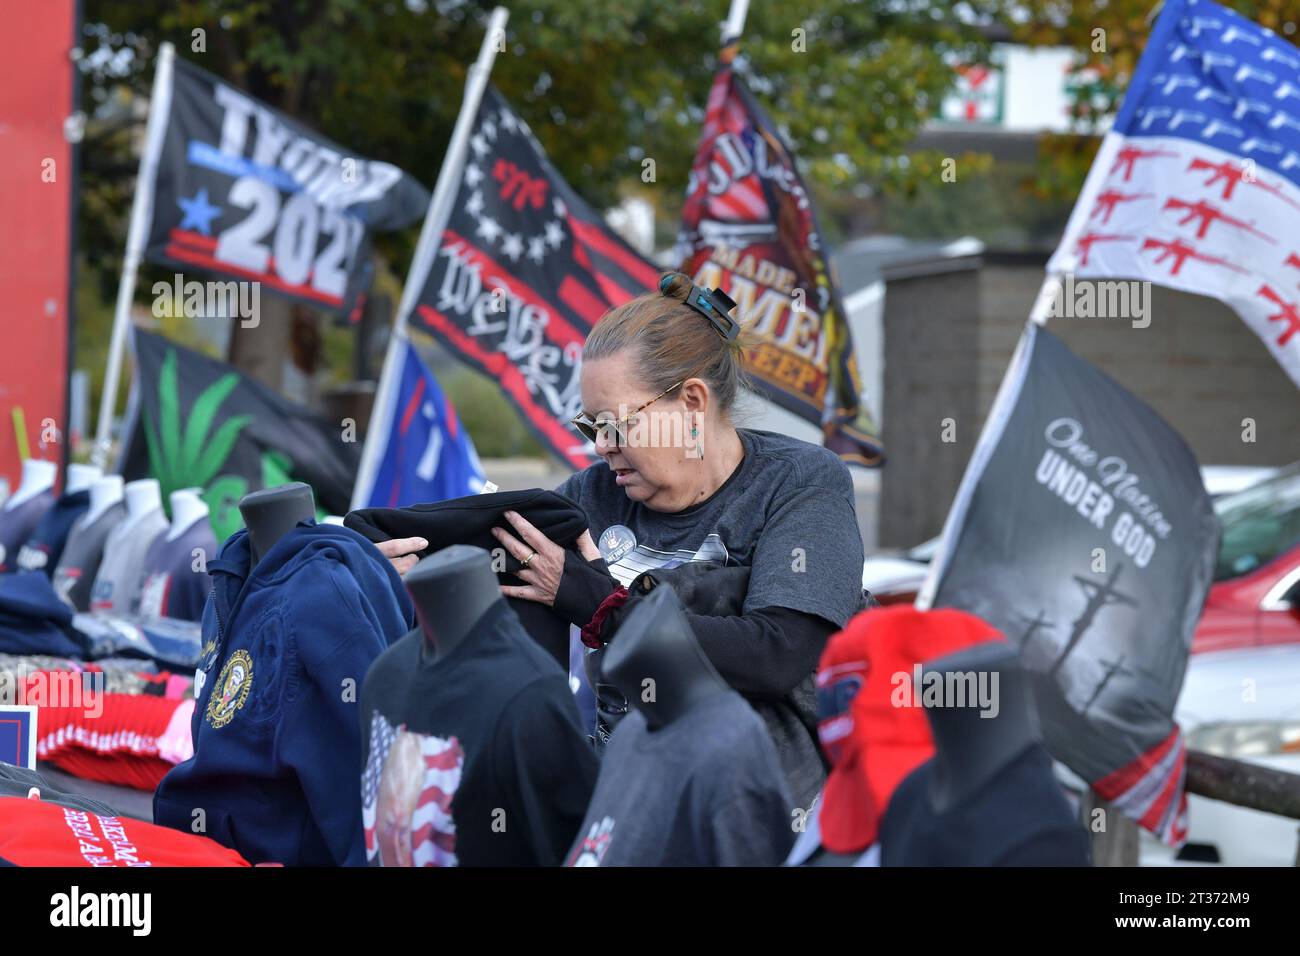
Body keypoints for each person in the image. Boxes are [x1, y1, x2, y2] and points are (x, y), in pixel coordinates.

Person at [378, 272, 866, 807]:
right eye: (591, 428)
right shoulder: (591, 498)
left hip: (762, 810)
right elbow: (481, 605)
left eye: (616, 425)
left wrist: (602, 608)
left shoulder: (798, 483)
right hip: (627, 800)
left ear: (693, 403)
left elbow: (777, 655)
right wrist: (390, 578)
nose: (602, 448)